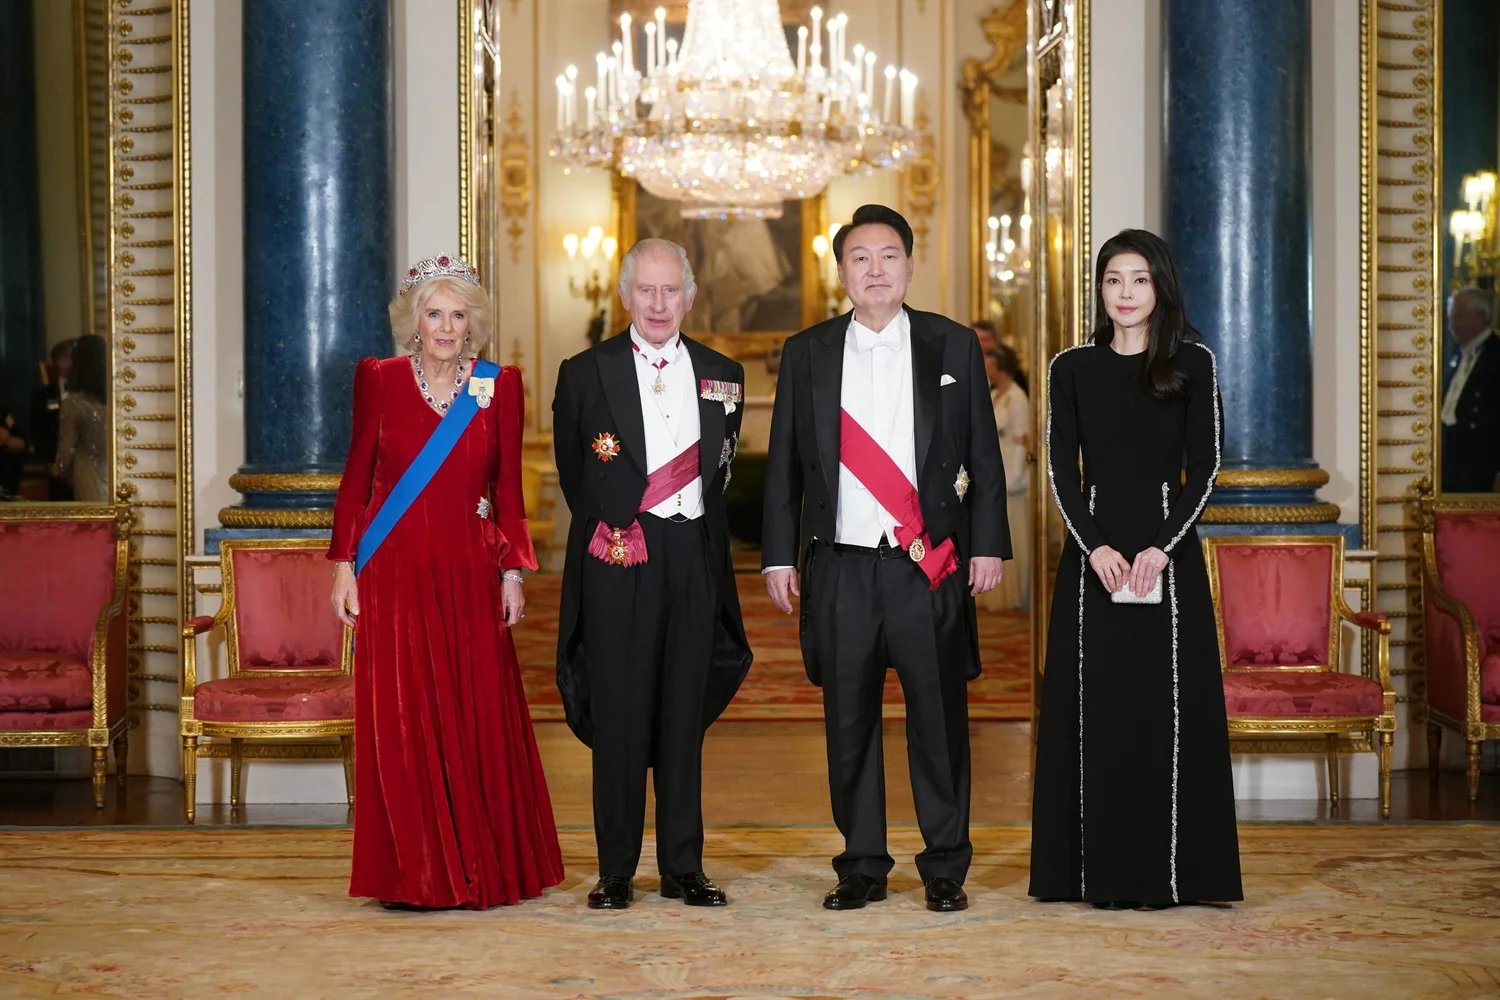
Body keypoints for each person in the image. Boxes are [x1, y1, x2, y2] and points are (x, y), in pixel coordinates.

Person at [762, 204, 1010, 913]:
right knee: (849, 724)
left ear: (909, 264)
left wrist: (988, 541)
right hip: (839, 567)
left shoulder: (953, 345)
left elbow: (982, 455)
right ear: (841, 270)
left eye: (889, 255)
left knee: (938, 721)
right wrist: (780, 556)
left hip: (926, 563)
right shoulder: (807, 350)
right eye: (860, 258)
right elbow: (783, 465)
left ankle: (944, 867)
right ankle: (862, 865)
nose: (875, 269)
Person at [327, 253, 563, 910]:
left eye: (459, 315)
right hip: (394, 572)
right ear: (414, 320)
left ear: (473, 324)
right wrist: (344, 568)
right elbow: (355, 480)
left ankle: (482, 865)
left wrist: (512, 570)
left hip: (467, 568)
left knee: (474, 713)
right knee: (403, 719)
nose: (447, 327)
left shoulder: (497, 385)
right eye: (435, 313)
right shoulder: (379, 378)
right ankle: (413, 873)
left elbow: (507, 489)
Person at [1029, 229, 1241, 909]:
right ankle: (1089, 874)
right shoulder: (1071, 367)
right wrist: (1094, 547)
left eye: (1140, 279)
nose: (1125, 293)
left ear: (1161, 287)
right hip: (1092, 563)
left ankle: (1174, 875)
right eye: (1114, 279)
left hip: (1165, 562)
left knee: (1164, 714)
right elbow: (1062, 472)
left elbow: (1204, 469)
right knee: (1098, 712)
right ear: (1100, 289)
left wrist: (1161, 548)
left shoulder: (1194, 363)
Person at [552, 238, 752, 910]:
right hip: (619, 557)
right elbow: (578, 476)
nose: (660, 303)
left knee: (681, 717)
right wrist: (616, 526)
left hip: (692, 557)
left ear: (690, 296)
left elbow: (720, 471)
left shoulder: (724, 373)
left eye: (671, 291)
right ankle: (615, 870)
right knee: (620, 712)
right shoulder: (584, 372)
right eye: (647, 290)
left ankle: (683, 866)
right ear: (625, 295)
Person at [981, 347, 1031, 612]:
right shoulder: (994, 395)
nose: (987, 371)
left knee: (1012, 531)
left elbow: (1023, 439)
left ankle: (1014, 593)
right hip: (994, 468)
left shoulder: (1017, 397)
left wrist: (1013, 475)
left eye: (990, 366)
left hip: (1011, 474)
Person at [1439, 286, 1500, 493]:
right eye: (1450, 317)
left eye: (1459, 316)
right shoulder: (1455, 354)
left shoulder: (1496, 355)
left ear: (1482, 316)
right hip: (1451, 460)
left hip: (1483, 463)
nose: (1452, 325)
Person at [54, 335, 109, 502]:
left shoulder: (73, 404)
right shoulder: (118, 401)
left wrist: (66, 474)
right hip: (117, 480)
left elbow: (64, 461)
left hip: (88, 480)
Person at [31, 339, 75, 500]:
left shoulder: (90, 393)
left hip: (85, 466)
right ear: (58, 362)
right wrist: (52, 464)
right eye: (66, 358)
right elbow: (38, 432)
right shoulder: (42, 395)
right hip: (56, 467)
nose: (70, 363)